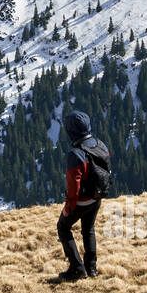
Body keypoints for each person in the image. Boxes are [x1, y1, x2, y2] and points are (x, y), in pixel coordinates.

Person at [58, 111, 103, 281]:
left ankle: (77, 268)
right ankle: (91, 268)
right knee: (88, 229)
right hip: (96, 197)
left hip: (82, 201)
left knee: (63, 228)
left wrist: (69, 208)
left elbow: (73, 186)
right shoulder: (99, 144)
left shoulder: (75, 154)